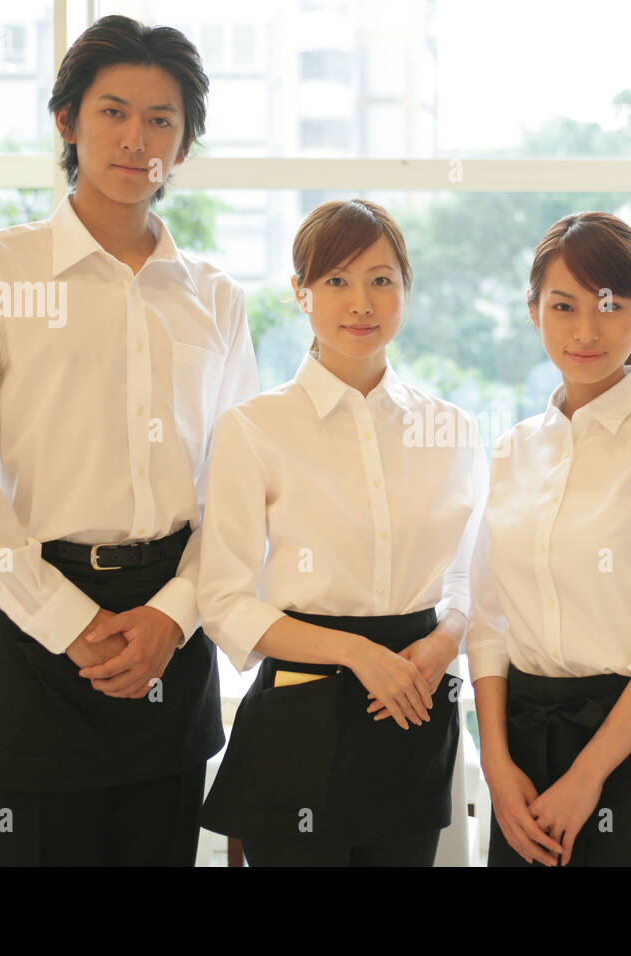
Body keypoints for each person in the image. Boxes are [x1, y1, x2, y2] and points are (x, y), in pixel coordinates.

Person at [0, 15, 259, 866]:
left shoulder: (214, 297)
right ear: (67, 122)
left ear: (182, 146)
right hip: (34, 620)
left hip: (171, 626)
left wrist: (172, 621)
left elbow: (243, 488)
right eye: (113, 112)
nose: (136, 139)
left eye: (162, 120)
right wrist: (71, 624)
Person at [196, 198, 486, 866]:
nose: (362, 301)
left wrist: (446, 638)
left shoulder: (451, 430)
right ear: (301, 295)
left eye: (382, 280)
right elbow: (225, 602)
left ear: (405, 292)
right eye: (337, 281)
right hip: (303, 706)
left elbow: (470, 576)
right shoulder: (255, 428)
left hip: (413, 702)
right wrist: (357, 655)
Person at [468, 212, 631, 866]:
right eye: (563, 306)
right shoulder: (511, 451)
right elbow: (489, 621)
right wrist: (497, 769)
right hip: (525, 756)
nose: (586, 330)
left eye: (610, 305)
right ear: (533, 312)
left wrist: (587, 778)